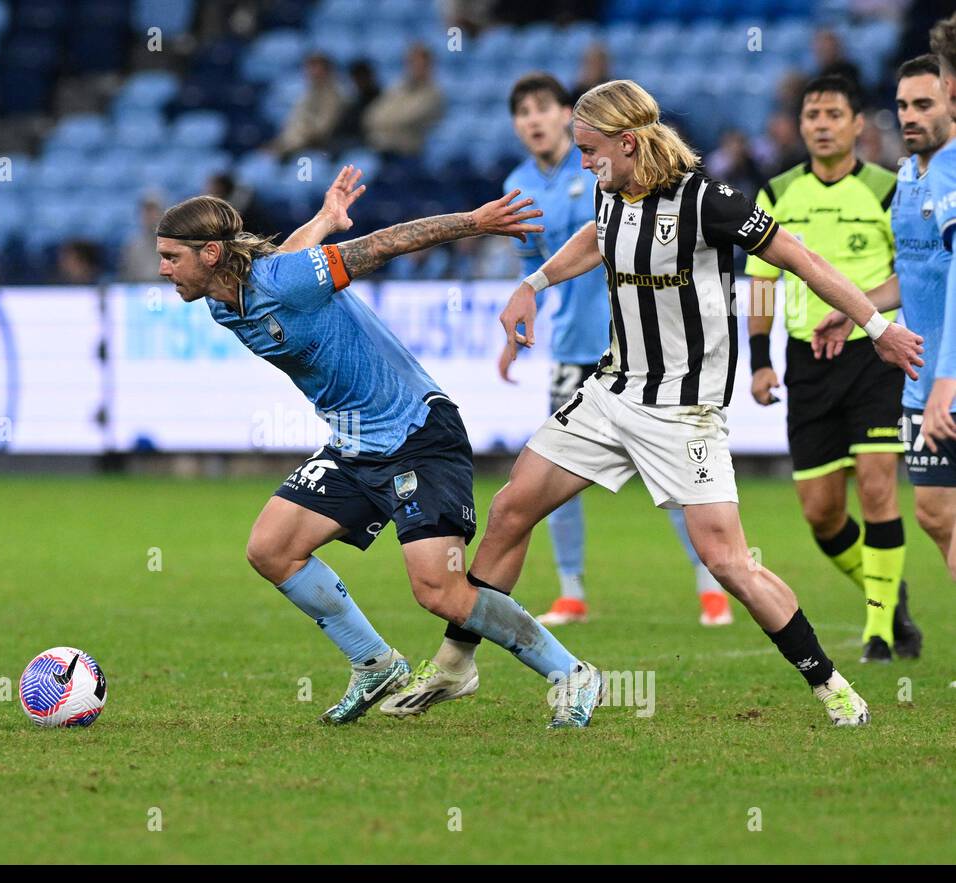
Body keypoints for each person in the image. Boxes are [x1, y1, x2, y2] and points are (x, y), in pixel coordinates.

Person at [385, 80, 925, 728]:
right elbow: (596, 234)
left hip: (683, 409)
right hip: (611, 391)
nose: (583, 161)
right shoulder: (611, 190)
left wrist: (876, 325)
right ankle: (455, 662)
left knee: (729, 562)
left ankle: (830, 684)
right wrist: (533, 282)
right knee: (508, 510)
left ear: (629, 141)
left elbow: (800, 259)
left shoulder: (707, 201)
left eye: (591, 150)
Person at [156, 165, 604, 727]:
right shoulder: (225, 302)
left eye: (172, 256)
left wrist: (474, 222)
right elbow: (282, 268)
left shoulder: (279, 282)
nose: (162, 268)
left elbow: (383, 245)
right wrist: (322, 219)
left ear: (212, 255)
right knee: (271, 548)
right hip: (354, 445)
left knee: (438, 590)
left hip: (417, 434)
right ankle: (375, 665)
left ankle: (571, 672)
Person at [502, 71, 732, 629]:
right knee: (547, 480)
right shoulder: (519, 182)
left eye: (542, 107)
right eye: (521, 111)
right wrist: (518, 322)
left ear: (566, 115)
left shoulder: (612, 173)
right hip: (572, 347)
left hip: (642, 355)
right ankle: (571, 591)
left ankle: (712, 587)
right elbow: (532, 263)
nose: (532, 119)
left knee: (677, 482)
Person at [747, 75, 923, 663]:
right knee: (822, 514)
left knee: (878, 488)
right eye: (812, 114)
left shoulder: (886, 189)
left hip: (875, 356)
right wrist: (760, 363)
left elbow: (913, 275)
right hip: (806, 363)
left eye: (833, 114)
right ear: (801, 126)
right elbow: (763, 287)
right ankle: (890, 596)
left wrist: (861, 314)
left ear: (855, 125)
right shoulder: (776, 192)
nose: (821, 123)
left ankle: (878, 630)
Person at [818, 41, 956, 584]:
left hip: (946, 375)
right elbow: (917, 273)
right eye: (903, 105)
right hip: (924, 375)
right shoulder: (908, 177)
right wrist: (857, 308)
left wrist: (949, 379)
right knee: (934, 514)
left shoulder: (951, 177)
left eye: (924, 104)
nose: (910, 116)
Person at [362, 44, 444, 157]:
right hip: (382, 148)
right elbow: (372, 116)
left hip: (411, 152)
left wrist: (385, 124)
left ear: (429, 66)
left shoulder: (433, 94)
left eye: (419, 63)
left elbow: (407, 119)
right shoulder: (398, 87)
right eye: (411, 63)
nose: (415, 67)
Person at [265, 53, 347, 159]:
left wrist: (289, 144)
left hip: (317, 147)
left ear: (327, 71)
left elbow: (322, 129)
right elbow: (293, 122)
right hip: (294, 144)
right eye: (310, 67)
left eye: (316, 67)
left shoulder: (334, 95)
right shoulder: (308, 93)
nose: (312, 72)